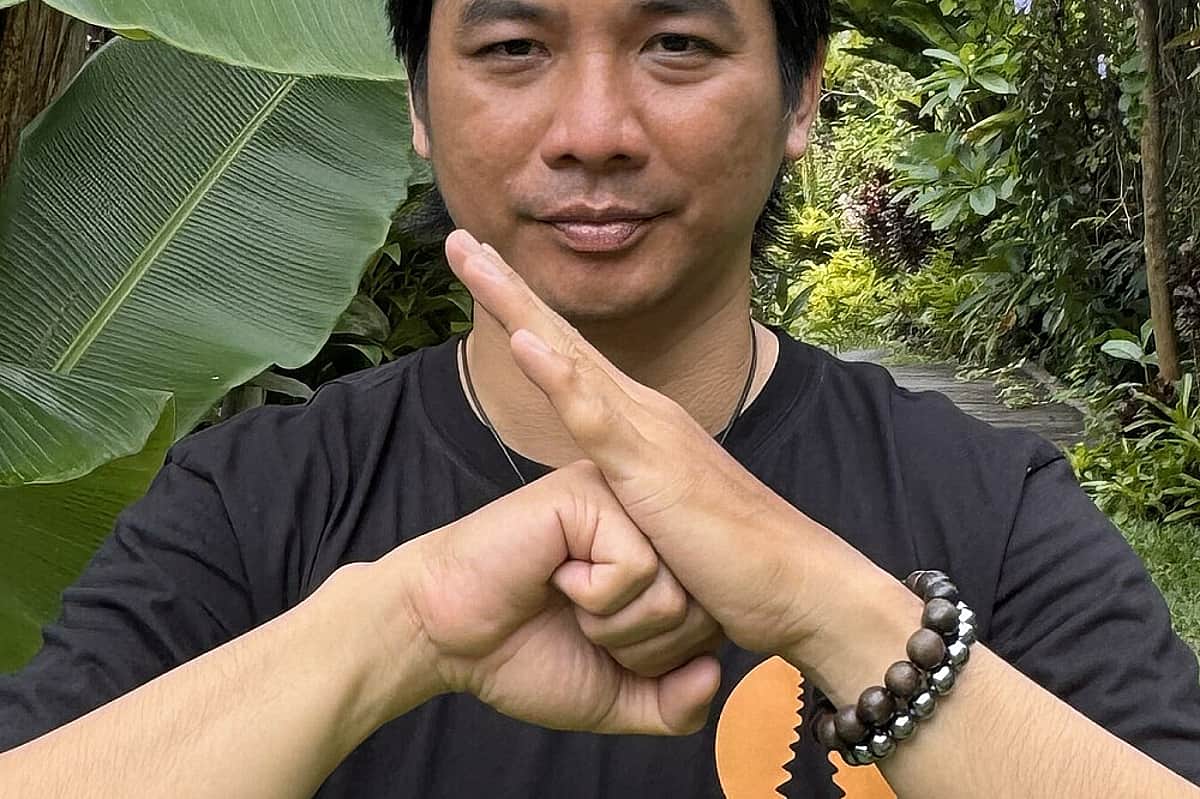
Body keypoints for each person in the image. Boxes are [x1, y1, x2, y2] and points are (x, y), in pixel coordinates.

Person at [2, 0, 1199, 796]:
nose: (592, 132)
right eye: (513, 47)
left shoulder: (983, 503)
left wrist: (829, 603)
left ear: (800, 97)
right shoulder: (249, 509)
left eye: (677, 41)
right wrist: (401, 625)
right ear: (417, 101)